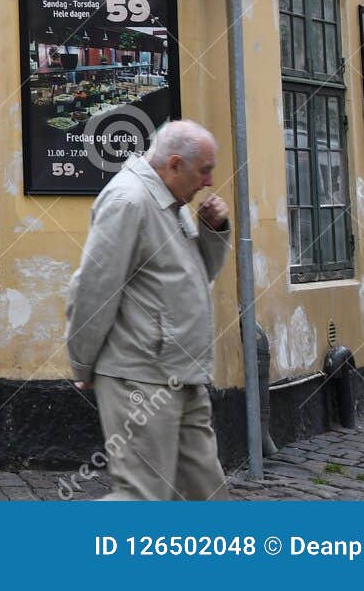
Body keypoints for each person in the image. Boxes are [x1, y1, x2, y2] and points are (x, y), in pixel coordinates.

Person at [65, 119, 231, 500]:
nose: (208, 181)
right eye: (204, 170)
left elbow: (193, 276)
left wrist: (213, 230)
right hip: (139, 374)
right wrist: (83, 364)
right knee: (142, 496)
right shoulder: (130, 201)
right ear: (175, 164)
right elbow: (94, 288)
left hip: (181, 372)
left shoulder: (170, 200)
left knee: (204, 493)